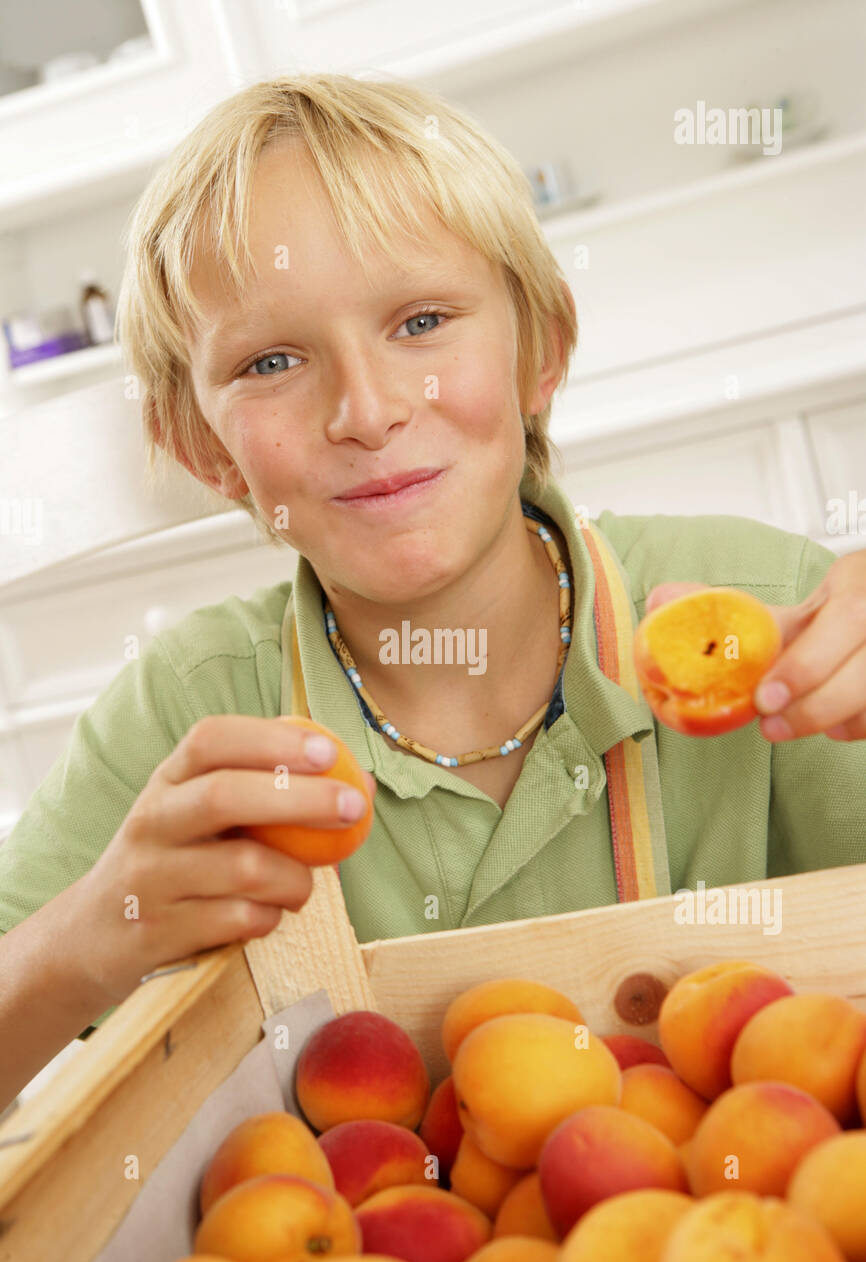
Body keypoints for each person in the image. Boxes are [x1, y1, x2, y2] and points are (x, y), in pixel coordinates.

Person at [1, 73, 864, 1113]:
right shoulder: (186, 712)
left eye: (419, 322)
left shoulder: (771, 611)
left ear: (535, 351)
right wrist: (90, 936)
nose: (364, 410)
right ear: (204, 448)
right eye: (271, 360)